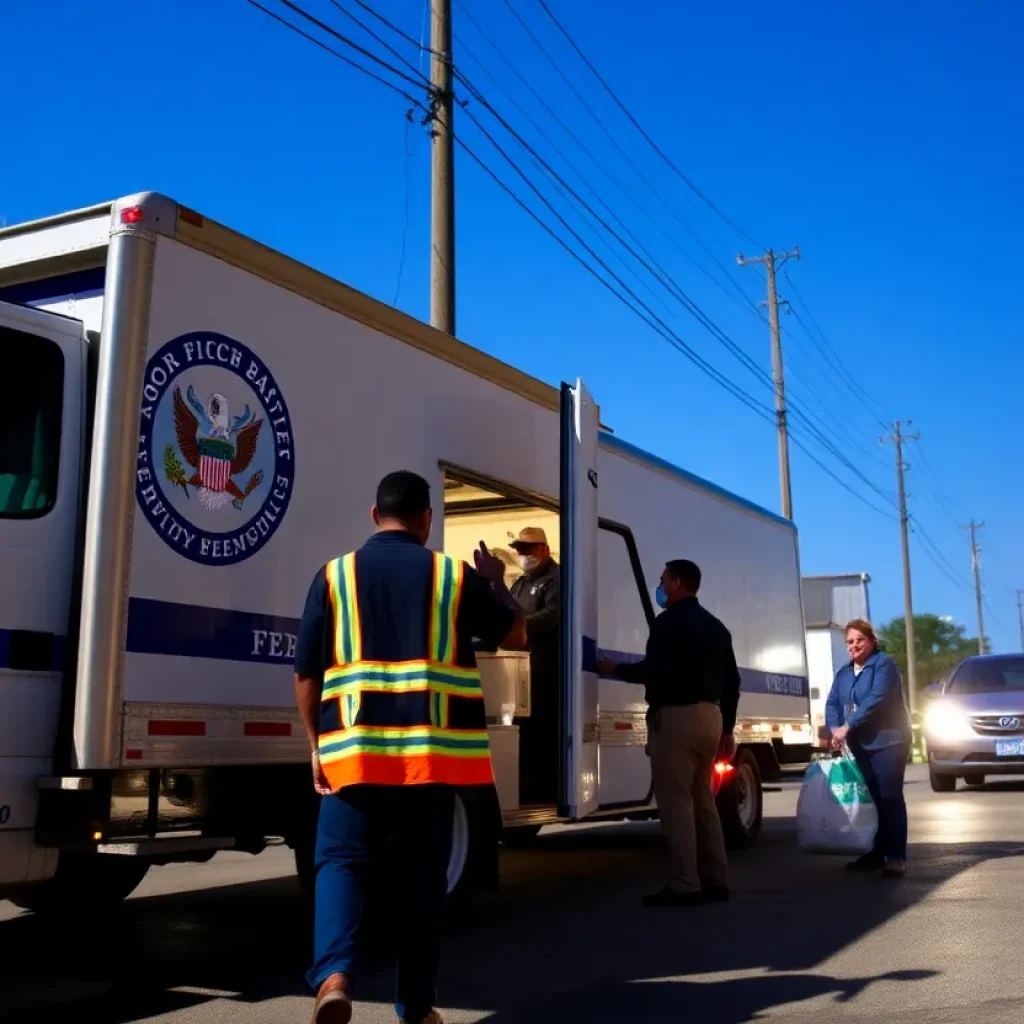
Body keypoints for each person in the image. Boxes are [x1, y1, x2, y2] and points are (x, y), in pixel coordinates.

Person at [294, 470, 527, 1024]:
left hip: (354, 751)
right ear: (427, 520)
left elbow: (306, 671)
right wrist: (494, 579)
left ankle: (334, 978)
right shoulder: (454, 575)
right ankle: (417, 1007)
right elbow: (515, 636)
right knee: (422, 878)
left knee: (340, 862)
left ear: (375, 516)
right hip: (431, 756)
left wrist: (314, 745)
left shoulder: (335, 575)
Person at [598, 559, 741, 908]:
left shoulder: (667, 624)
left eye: (662, 580)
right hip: (711, 716)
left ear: (676, 583)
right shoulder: (717, 627)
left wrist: (613, 668)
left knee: (676, 802)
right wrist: (726, 727)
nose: (659, 587)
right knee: (703, 799)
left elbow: (653, 671)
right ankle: (716, 878)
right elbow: (732, 683)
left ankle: (685, 883)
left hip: (675, 719)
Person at [825, 618, 912, 878]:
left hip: (889, 742)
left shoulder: (884, 665)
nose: (854, 646)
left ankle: (895, 857)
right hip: (860, 744)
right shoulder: (843, 674)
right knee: (873, 800)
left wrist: (847, 726)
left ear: (872, 642)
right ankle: (877, 853)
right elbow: (832, 703)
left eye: (859, 640)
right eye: (850, 642)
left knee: (889, 797)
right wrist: (834, 729)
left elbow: (875, 700)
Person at [508, 527, 560, 804]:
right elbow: (505, 609)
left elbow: (553, 616)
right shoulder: (519, 583)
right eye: (519, 549)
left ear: (544, 549)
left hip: (545, 672)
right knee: (522, 734)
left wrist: (520, 624)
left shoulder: (557, 578)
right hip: (517, 671)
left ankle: (543, 792)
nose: (522, 554)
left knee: (541, 733)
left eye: (528, 549)